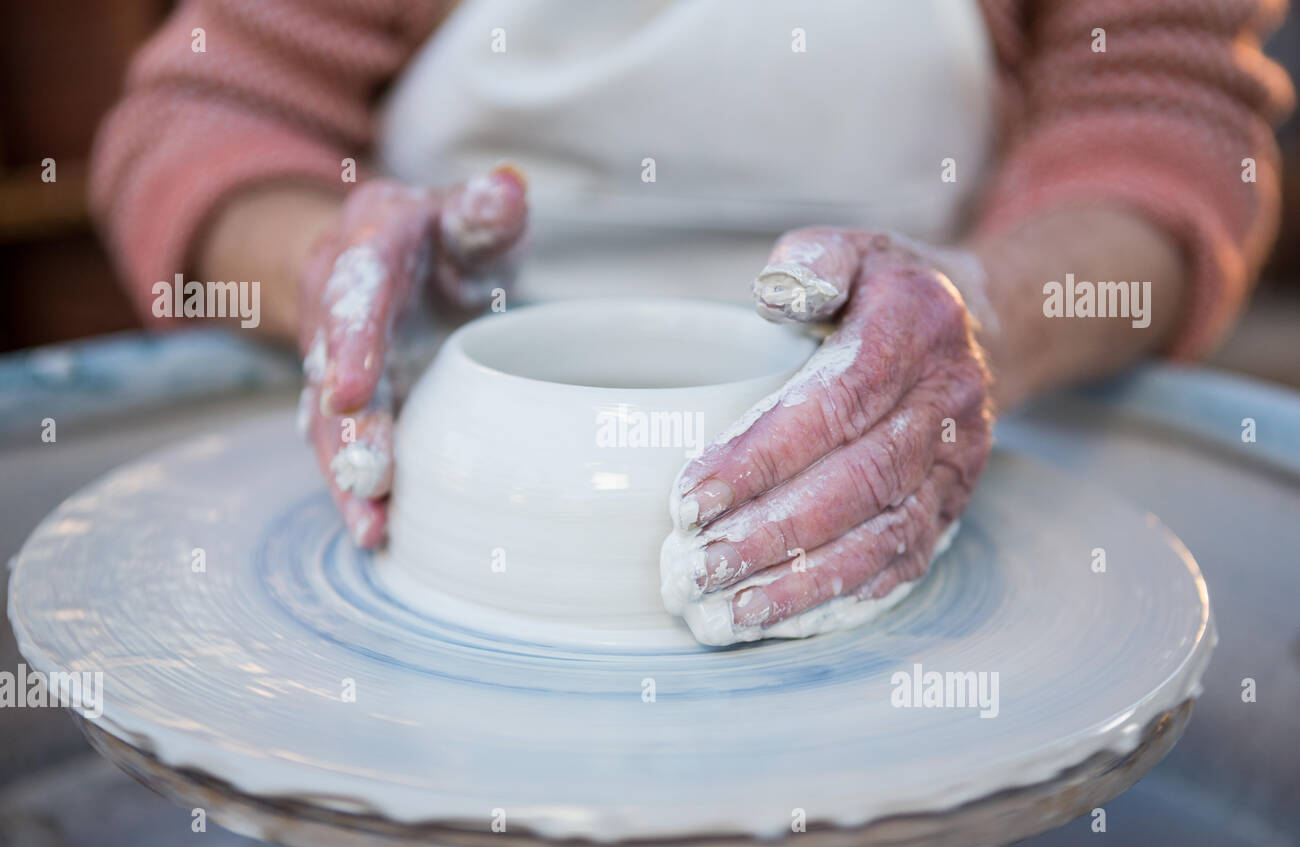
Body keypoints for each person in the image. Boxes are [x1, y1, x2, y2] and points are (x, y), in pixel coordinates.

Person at [90, 0, 1293, 638]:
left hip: (909, 436)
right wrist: (327, 261)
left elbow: (1169, 125)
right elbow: (197, 116)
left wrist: (987, 323)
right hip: (452, 399)